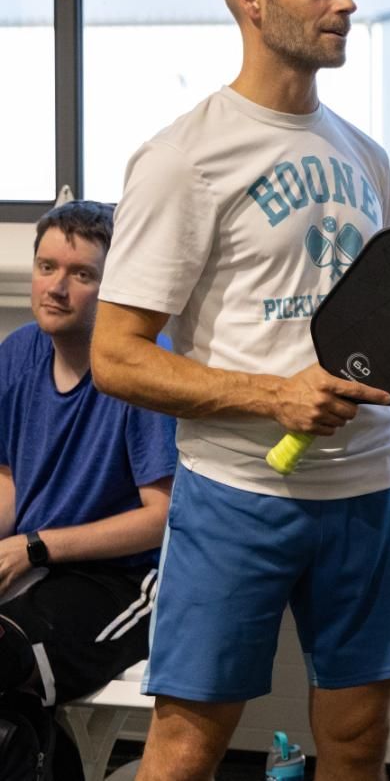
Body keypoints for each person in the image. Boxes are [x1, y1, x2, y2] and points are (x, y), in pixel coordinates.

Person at [89, 0, 390, 780]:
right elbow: (116, 355)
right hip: (238, 496)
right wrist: (273, 396)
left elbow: (379, 330)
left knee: (358, 741)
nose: (347, 3)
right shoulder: (183, 159)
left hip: (371, 489)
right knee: (186, 745)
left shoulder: (365, 155)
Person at [0, 200, 174, 709]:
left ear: (115, 285)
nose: (56, 287)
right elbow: (9, 476)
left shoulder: (145, 369)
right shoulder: (18, 352)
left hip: (121, 576)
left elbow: (162, 517)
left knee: (8, 660)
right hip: (34, 557)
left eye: (81, 274)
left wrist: (35, 547)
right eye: (46, 267)